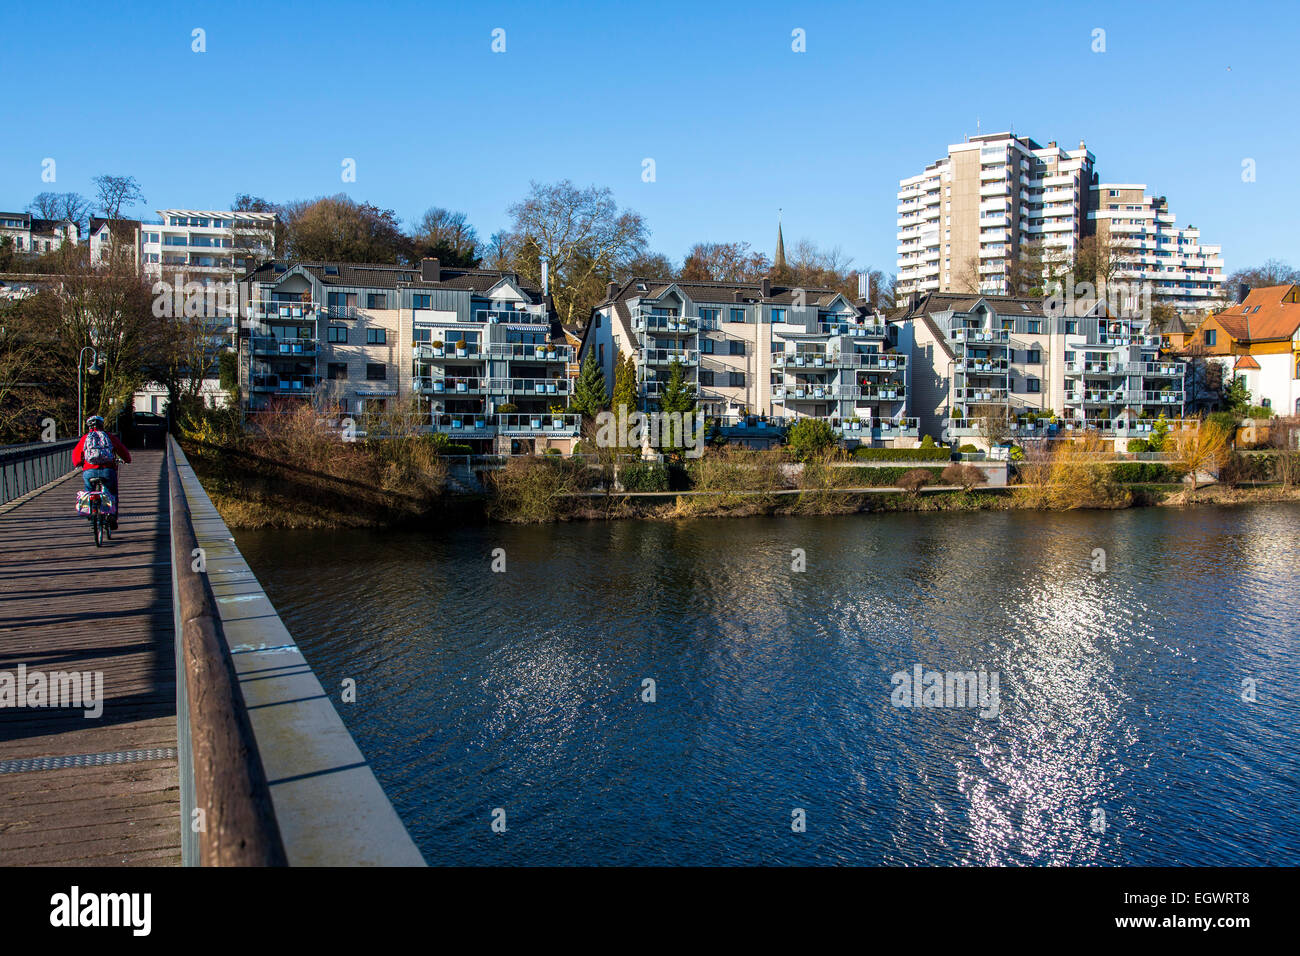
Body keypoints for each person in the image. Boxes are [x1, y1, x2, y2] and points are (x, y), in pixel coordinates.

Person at [72, 415, 132, 529]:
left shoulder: (85, 438)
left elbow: (76, 454)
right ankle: (112, 516)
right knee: (112, 493)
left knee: (89, 490)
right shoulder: (108, 436)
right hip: (108, 470)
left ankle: (91, 512)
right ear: (102, 425)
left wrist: (78, 463)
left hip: (89, 470)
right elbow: (121, 449)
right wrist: (127, 460)